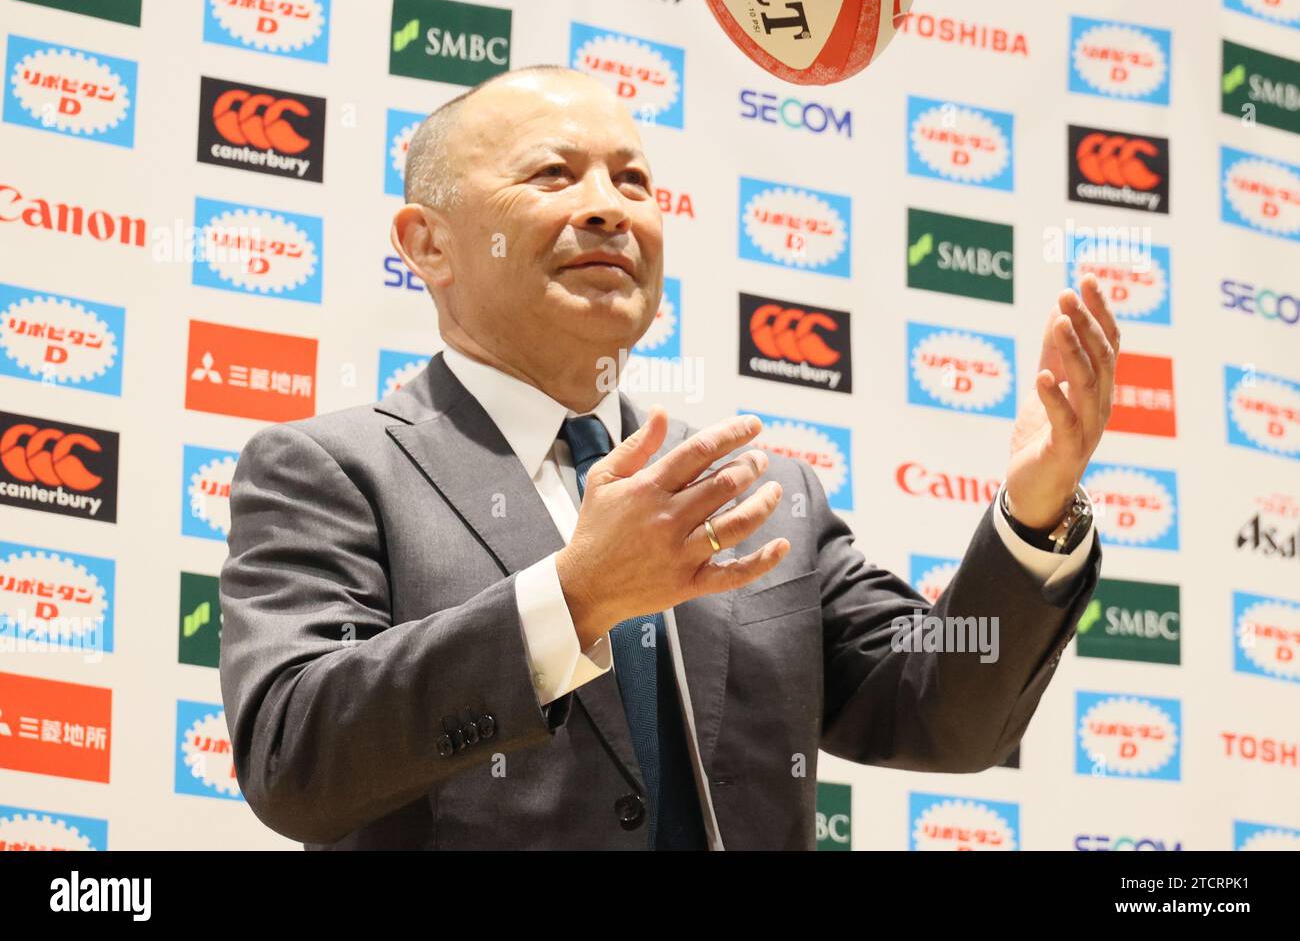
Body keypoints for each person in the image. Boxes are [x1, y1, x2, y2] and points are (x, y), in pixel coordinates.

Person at [218, 64, 1117, 850]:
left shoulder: (758, 491)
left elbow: (940, 716)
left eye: (635, 180)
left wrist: (1032, 516)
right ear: (428, 243)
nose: (608, 206)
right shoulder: (332, 470)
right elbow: (295, 759)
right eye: (553, 174)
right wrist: (575, 598)